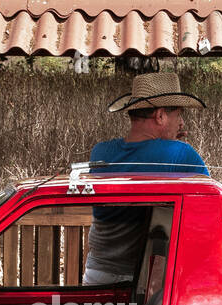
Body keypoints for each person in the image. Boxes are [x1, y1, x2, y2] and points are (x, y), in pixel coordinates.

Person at [83, 72, 210, 285]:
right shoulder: (181, 155)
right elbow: (207, 212)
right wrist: (173, 147)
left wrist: (167, 144)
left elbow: (142, 157)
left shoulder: (100, 153)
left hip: (97, 274)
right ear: (160, 116)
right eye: (178, 115)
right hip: (147, 280)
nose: (181, 122)